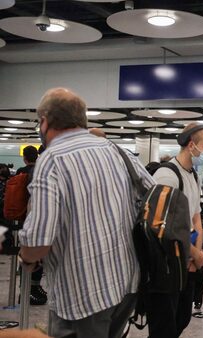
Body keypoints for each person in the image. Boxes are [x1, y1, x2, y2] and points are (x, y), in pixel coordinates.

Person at [19, 88, 155, 337]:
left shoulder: (52, 160)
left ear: (45, 121)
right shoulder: (119, 152)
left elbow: (39, 241)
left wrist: (26, 259)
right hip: (127, 283)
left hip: (83, 293)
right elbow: (156, 198)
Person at [149, 122, 203, 336]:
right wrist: (193, 254)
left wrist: (196, 258)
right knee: (163, 326)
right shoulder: (167, 175)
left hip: (187, 264)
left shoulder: (192, 175)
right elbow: (158, 225)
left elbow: (196, 219)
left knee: (181, 318)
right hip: (166, 266)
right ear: (191, 145)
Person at [15, 145, 48, 305]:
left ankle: (31, 288)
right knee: (33, 255)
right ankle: (28, 291)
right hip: (33, 219)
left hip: (26, 218)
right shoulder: (39, 171)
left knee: (34, 255)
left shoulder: (25, 170)